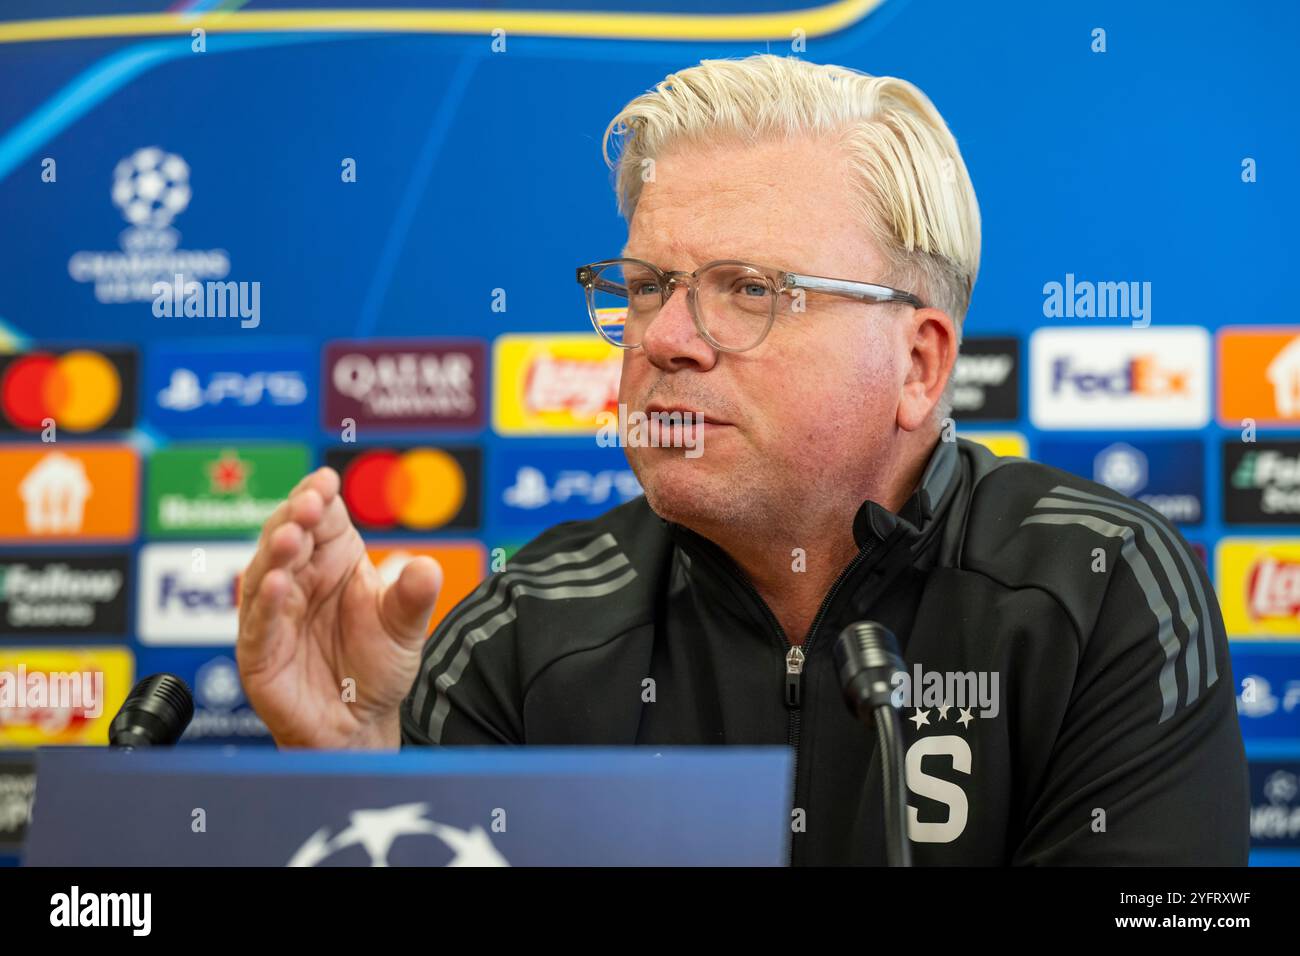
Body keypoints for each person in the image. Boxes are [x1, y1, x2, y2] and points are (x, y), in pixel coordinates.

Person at [236, 54, 1249, 865]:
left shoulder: (1096, 582)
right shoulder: (521, 630)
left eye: (749, 288)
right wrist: (362, 783)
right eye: (641, 285)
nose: (666, 337)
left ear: (917, 361)